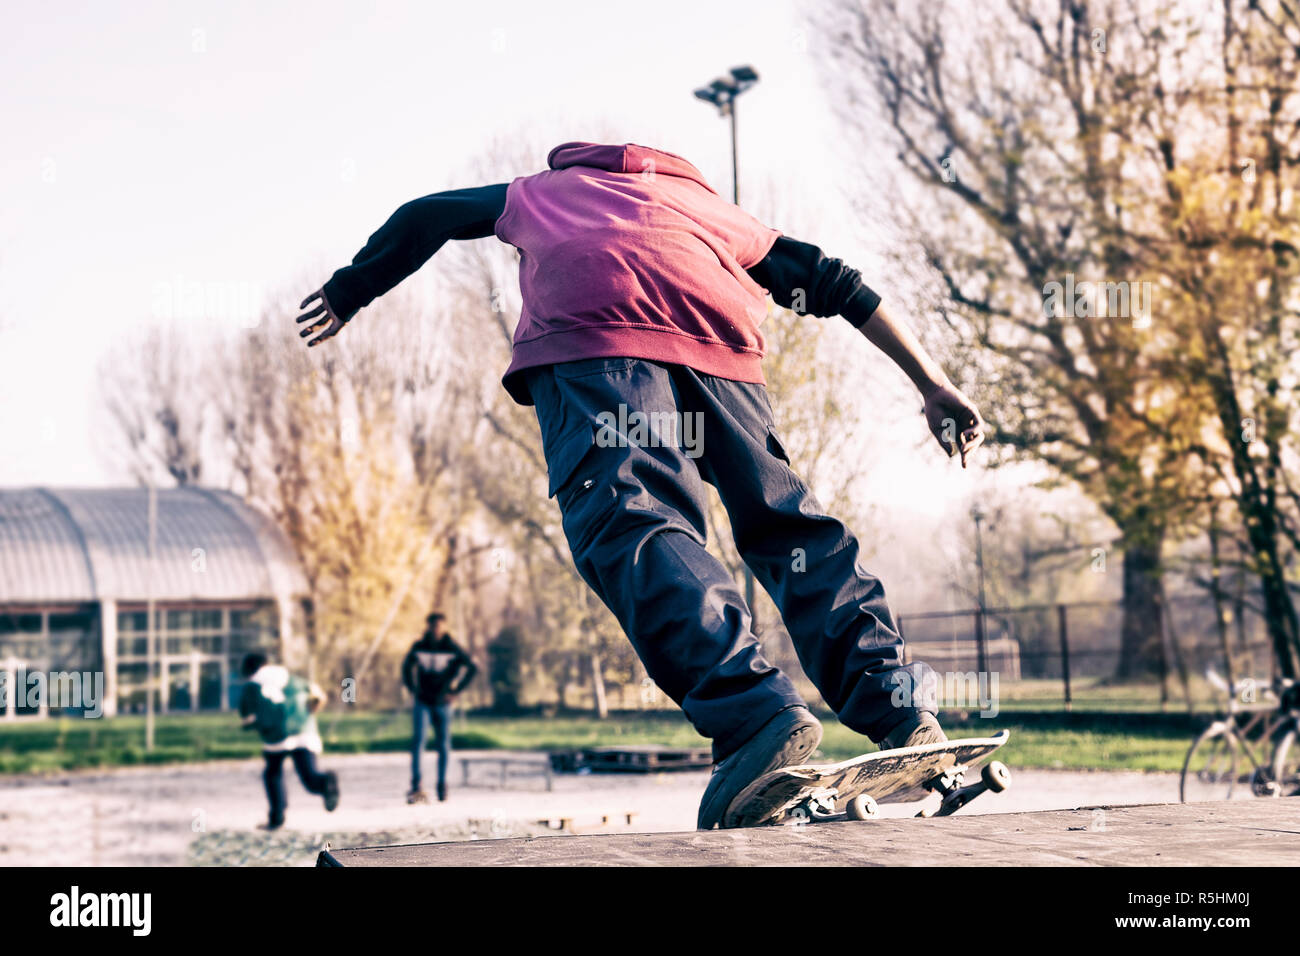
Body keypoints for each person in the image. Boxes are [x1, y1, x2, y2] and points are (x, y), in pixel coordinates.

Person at [297, 141, 986, 829]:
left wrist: (349, 290)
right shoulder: (705, 207)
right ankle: (896, 704)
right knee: (786, 521)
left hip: (599, 341)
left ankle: (756, 718)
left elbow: (429, 214)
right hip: (722, 346)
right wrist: (932, 381)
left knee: (631, 520)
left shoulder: (543, 192)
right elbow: (830, 277)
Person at [238, 653, 340, 829]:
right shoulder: (293, 678)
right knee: (309, 775)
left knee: (273, 773)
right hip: (304, 731)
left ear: (248, 670)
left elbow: (247, 718)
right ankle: (325, 783)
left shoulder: (251, 685)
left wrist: (253, 725)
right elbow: (318, 697)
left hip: (276, 735)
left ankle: (277, 817)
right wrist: (309, 712)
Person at [401, 613, 478, 803]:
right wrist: (413, 689)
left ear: (443, 627)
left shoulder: (451, 648)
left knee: (443, 744)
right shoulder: (420, 647)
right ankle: (416, 784)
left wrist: (456, 691)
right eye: (433, 626)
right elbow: (406, 668)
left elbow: (471, 668)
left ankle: (442, 784)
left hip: (443, 702)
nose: (436, 629)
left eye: (439, 626)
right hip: (423, 701)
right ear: (428, 626)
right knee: (419, 741)